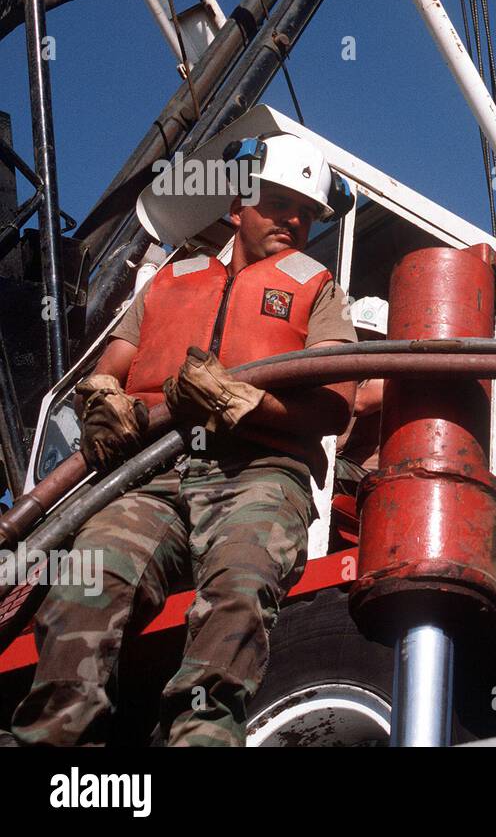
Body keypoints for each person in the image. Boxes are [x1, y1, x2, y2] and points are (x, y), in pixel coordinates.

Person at [10, 132, 358, 746]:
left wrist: (243, 403)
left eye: (306, 211)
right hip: (151, 477)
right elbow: (108, 371)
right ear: (238, 206)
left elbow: (335, 403)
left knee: (241, 587)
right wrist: (101, 402)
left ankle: (201, 736)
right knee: (87, 584)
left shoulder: (318, 287)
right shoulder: (171, 280)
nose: (295, 220)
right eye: (280, 202)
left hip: (259, 473)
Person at [332, 297, 387, 501]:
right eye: (359, 335)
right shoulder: (346, 375)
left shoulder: (388, 377)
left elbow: (359, 403)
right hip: (338, 467)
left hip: (364, 477)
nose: (364, 344)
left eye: (373, 339)